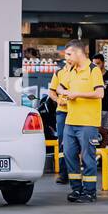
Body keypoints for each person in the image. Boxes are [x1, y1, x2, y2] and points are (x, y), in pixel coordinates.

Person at [55, 40, 105, 202]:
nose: (66, 58)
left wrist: (77, 94)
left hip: (88, 123)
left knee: (88, 157)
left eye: (69, 54)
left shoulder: (93, 70)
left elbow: (99, 94)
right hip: (70, 121)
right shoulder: (70, 70)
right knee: (69, 154)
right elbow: (59, 88)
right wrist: (65, 93)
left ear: (78, 53)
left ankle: (90, 192)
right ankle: (77, 189)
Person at [49, 52, 72, 184]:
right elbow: (51, 92)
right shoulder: (59, 73)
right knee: (63, 142)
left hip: (79, 112)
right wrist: (58, 100)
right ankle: (64, 174)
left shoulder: (82, 72)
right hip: (63, 112)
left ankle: (77, 173)